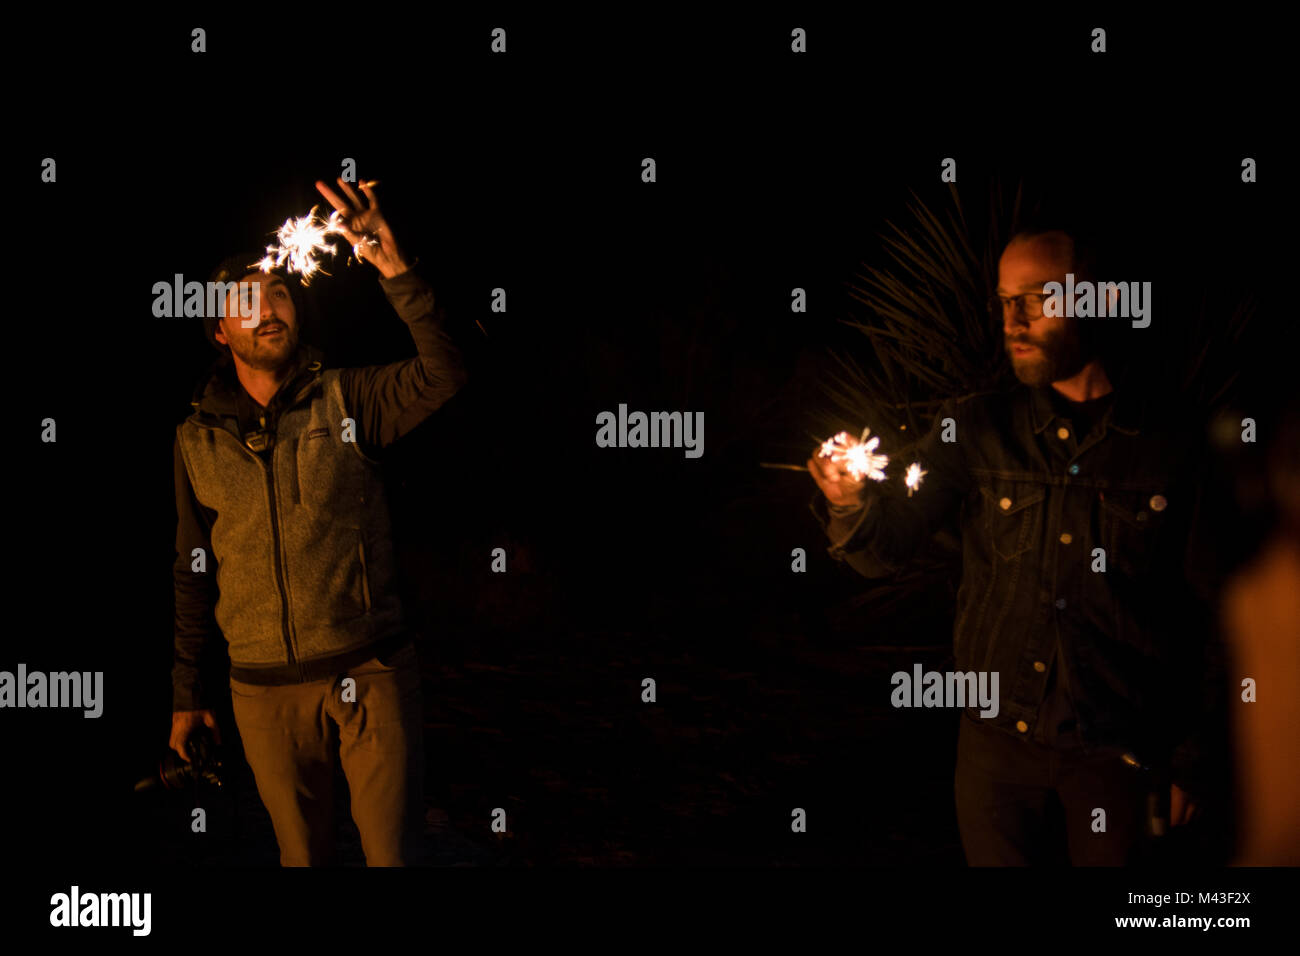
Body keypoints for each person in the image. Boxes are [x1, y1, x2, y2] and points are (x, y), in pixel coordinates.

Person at [809, 223, 1221, 865]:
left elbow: (1217, 612)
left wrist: (1194, 759)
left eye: (1037, 297)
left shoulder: (1173, 446)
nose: (1014, 319)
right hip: (996, 752)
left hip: (1121, 752)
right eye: (1005, 300)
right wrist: (850, 501)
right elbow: (886, 549)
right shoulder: (972, 428)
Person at [168, 178, 469, 865]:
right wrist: (187, 697)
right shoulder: (195, 438)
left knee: (393, 857)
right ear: (218, 330)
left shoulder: (349, 395)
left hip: (372, 673)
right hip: (262, 690)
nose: (266, 308)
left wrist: (392, 266)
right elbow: (191, 572)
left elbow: (445, 372)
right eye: (244, 301)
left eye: (277, 292)